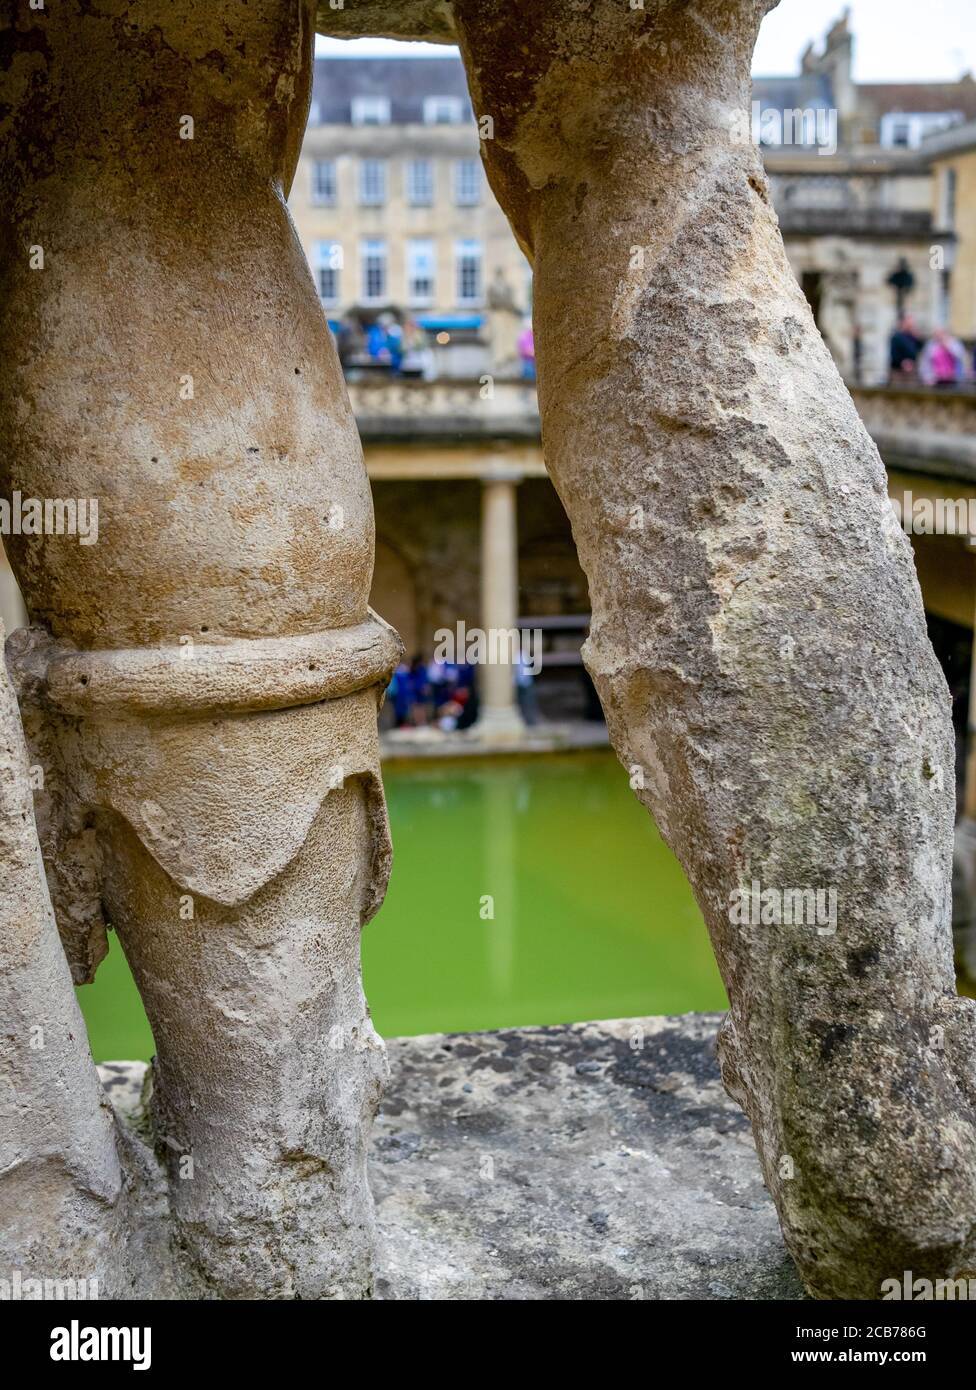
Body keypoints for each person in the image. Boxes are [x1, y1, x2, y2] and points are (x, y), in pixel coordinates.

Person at [889, 314, 921, 379]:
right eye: (909, 323)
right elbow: (894, 354)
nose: (911, 326)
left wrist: (918, 338)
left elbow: (919, 350)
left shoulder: (913, 337)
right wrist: (902, 363)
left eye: (912, 324)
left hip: (912, 370)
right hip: (898, 371)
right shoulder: (896, 337)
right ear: (903, 323)